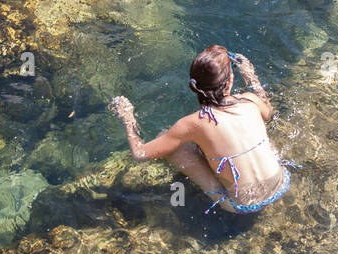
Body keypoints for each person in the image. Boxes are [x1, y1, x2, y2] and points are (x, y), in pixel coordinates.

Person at [109, 46, 292, 215]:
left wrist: (127, 117)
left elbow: (140, 153)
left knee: (172, 144)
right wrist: (251, 77)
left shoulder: (192, 123)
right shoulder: (250, 100)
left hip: (242, 205)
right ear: (229, 82)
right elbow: (269, 113)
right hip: (282, 183)